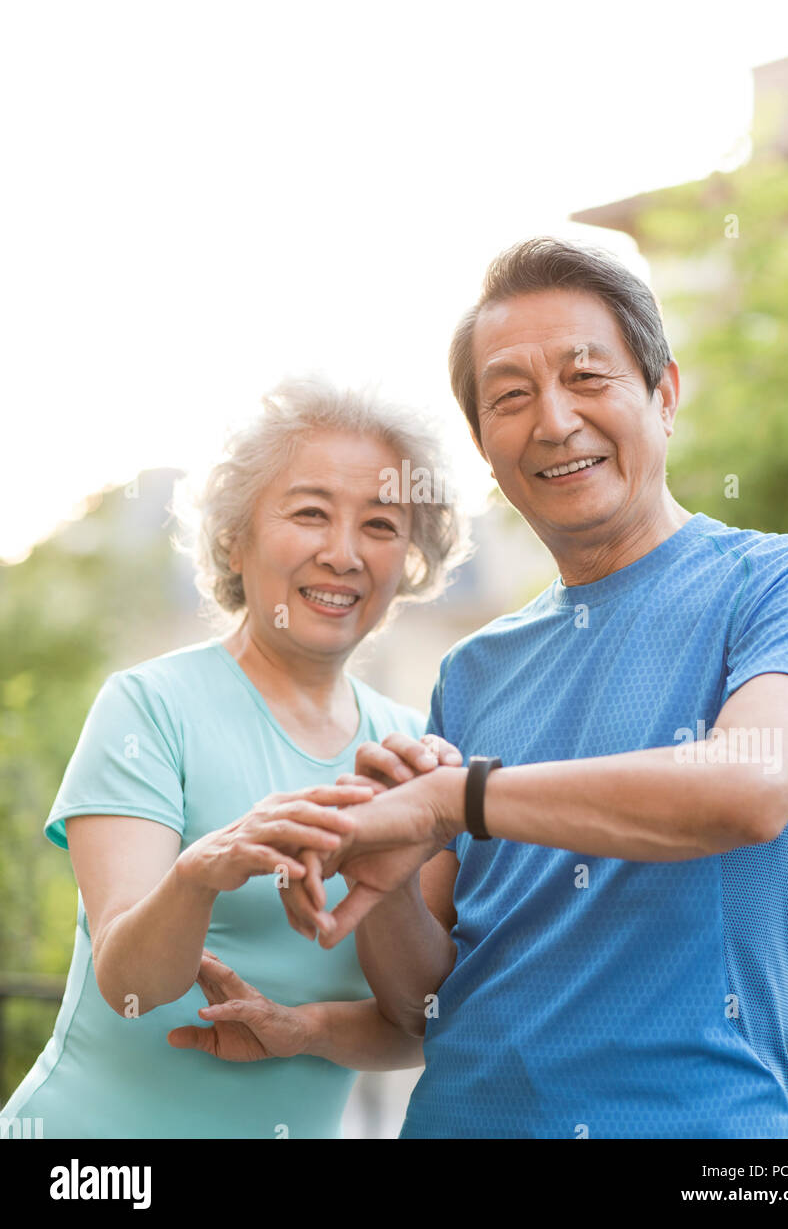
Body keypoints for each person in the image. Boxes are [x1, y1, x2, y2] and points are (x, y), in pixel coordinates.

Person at [196, 237, 788, 1140]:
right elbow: (421, 1005)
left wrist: (452, 802)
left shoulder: (784, 584)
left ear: (663, 395)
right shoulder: (473, 671)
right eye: (511, 396)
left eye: (588, 377)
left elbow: (748, 790)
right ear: (484, 444)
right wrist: (384, 878)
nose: (553, 421)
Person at [0, 376, 467, 1138]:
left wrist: (309, 1025)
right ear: (234, 537)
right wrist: (199, 873)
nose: (343, 553)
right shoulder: (148, 707)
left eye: (381, 525)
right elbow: (132, 985)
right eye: (310, 512)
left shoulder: (414, 753)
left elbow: (419, 1018)